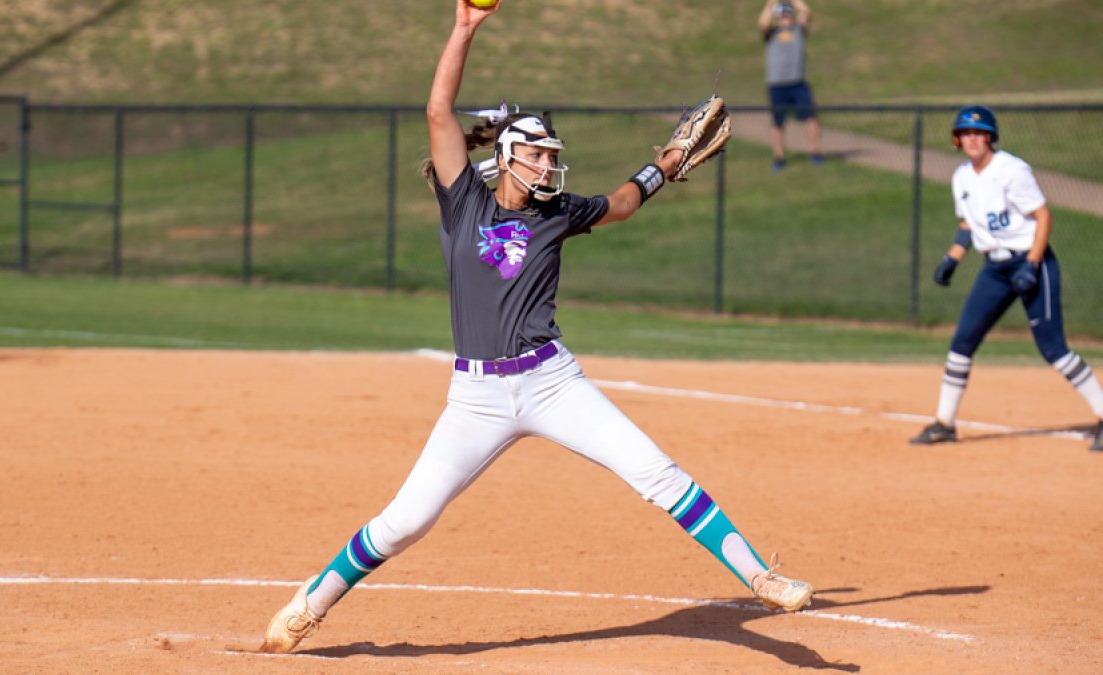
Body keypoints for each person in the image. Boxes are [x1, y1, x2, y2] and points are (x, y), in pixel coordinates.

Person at [258, 0, 813, 654]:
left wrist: (662, 168)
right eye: (541, 155)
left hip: (552, 381)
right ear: (511, 154)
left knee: (656, 472)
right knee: (406, 521)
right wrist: (464, 27)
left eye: (553, 156)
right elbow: (439, 112)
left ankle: (759, 575)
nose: (550, 166)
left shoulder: (558, 212)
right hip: (477, 397)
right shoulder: (463, 199)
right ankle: (308, 605)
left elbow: (623, 204)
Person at [911, 105, 1103, 452]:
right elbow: (969, 223)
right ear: (957, 139)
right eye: (965, 133)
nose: (972, 138)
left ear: (990, 137)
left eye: (979, 132)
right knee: (962, 342)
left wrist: (1031, 264)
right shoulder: (962, 178)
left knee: (1053, 348)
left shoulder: (1012, 171)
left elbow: (1043, 217)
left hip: (1032, 260)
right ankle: (944, 423)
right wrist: (952, 258)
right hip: (995, 269)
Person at [757, 0, 822, 171]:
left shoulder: (798, 31)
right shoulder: (771, 33)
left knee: (811, 117)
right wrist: (771, 4)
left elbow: (806, 12)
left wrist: (795, 2)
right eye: (782, 15)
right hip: (777, 84)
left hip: (797, 83)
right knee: (778, 122)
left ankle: (815, 152)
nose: (785, 18)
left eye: (787, 15)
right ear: (778, 18)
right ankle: (779, 157)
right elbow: (762, 23)